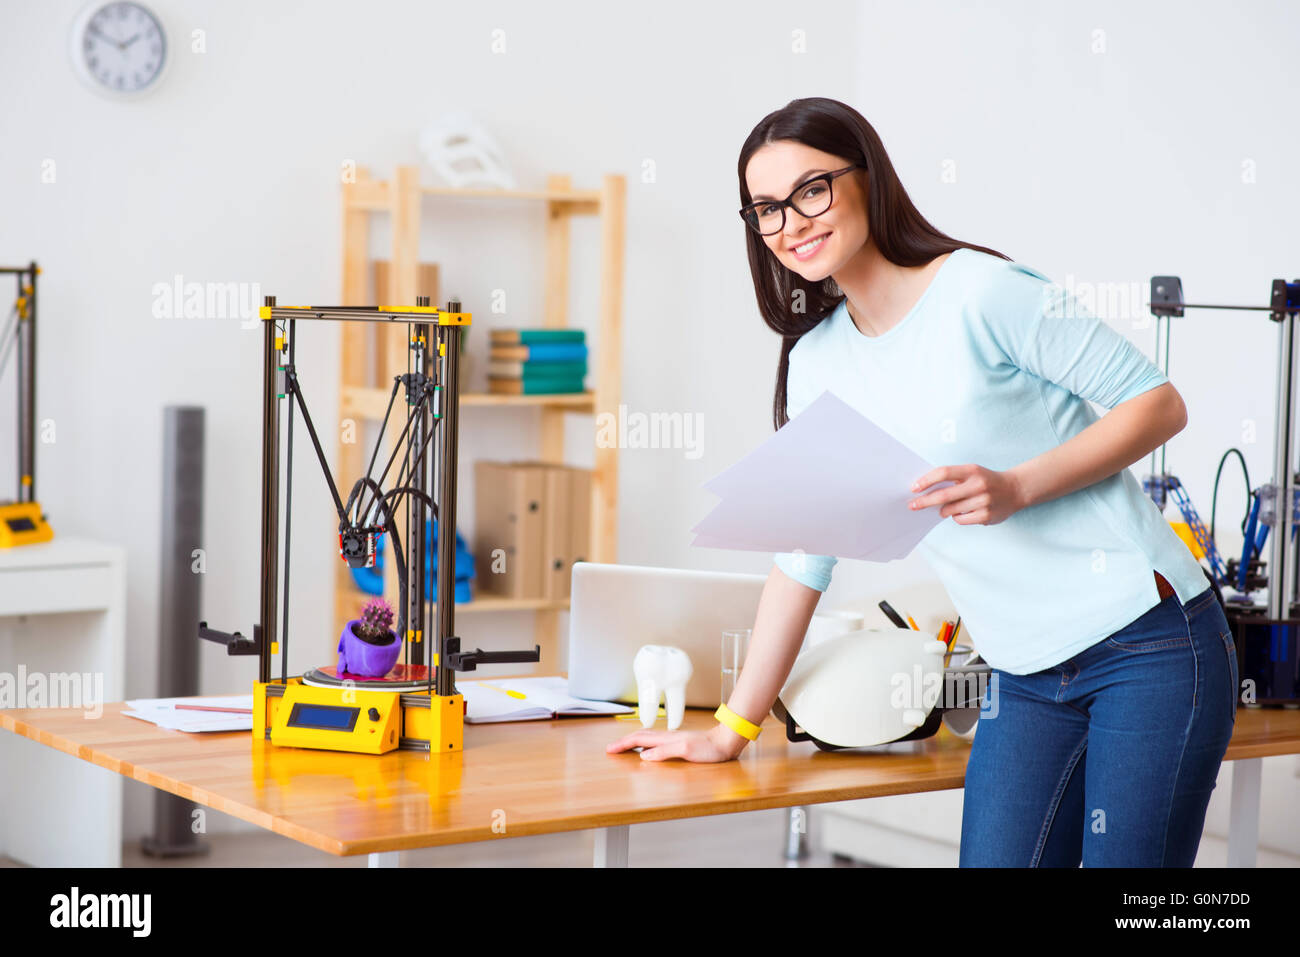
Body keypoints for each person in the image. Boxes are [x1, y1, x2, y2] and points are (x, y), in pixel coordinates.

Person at [607, 96, 1238, 868]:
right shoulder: (818, 363)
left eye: (812, 189)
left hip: (1147, 642)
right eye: (767, 209)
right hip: (1022, 672)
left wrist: (1017, 486)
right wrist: (731, 728)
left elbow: (1159, 403)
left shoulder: (981, 292)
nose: (792, 223)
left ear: (867, 179)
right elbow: (807, 554)